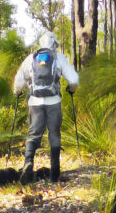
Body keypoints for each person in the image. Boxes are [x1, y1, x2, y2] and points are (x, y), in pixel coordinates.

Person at [13, 31, 79, 184]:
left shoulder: (31, 59)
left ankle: (28, 163)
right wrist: (71, 89)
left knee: (33, 134)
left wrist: (17, 92)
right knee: (54, 135)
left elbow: (19, 82)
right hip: (53, 102)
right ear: (55, 43)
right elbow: (74, 79)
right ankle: (54, 174)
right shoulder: (59, 58)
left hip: (35, 102)